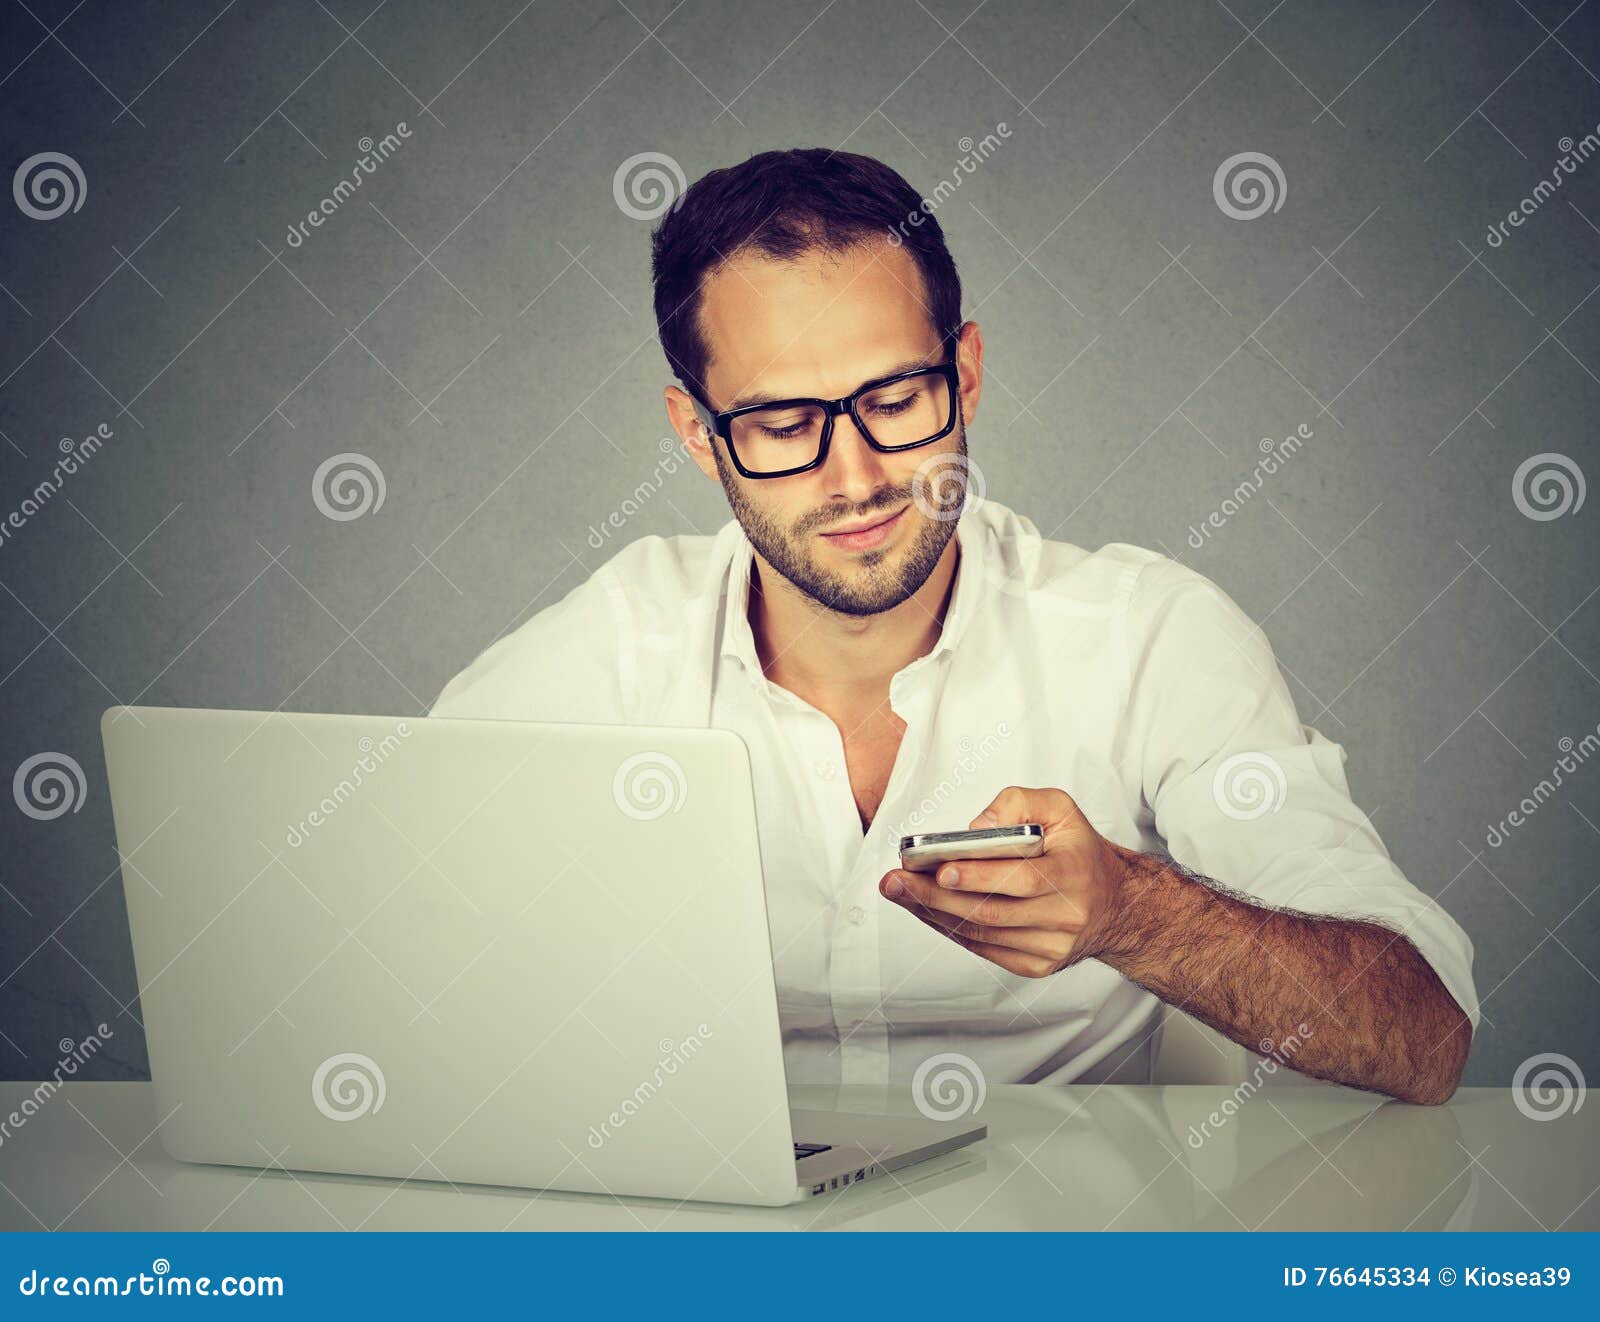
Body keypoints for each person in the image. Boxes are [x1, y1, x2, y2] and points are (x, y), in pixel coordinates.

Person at [432, 148, 1475, 1103]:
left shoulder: (1148, 636)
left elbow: (1424, 1037)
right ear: (699, 438)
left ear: (964, 372)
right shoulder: (590, 663)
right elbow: (383, 985)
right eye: (783, 424)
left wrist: (1133, 912)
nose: (857, 478)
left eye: (894, 397)